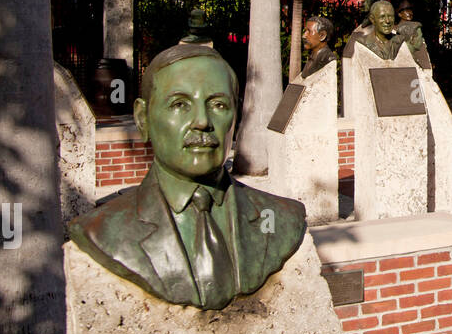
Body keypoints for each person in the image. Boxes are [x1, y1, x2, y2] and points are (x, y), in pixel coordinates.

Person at [68, 43, 306, 310]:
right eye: (180, 104)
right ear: (143, 119)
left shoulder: (283, 217)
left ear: (235, 117)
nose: (202, 121)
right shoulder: (100, 232)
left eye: (218, 104)